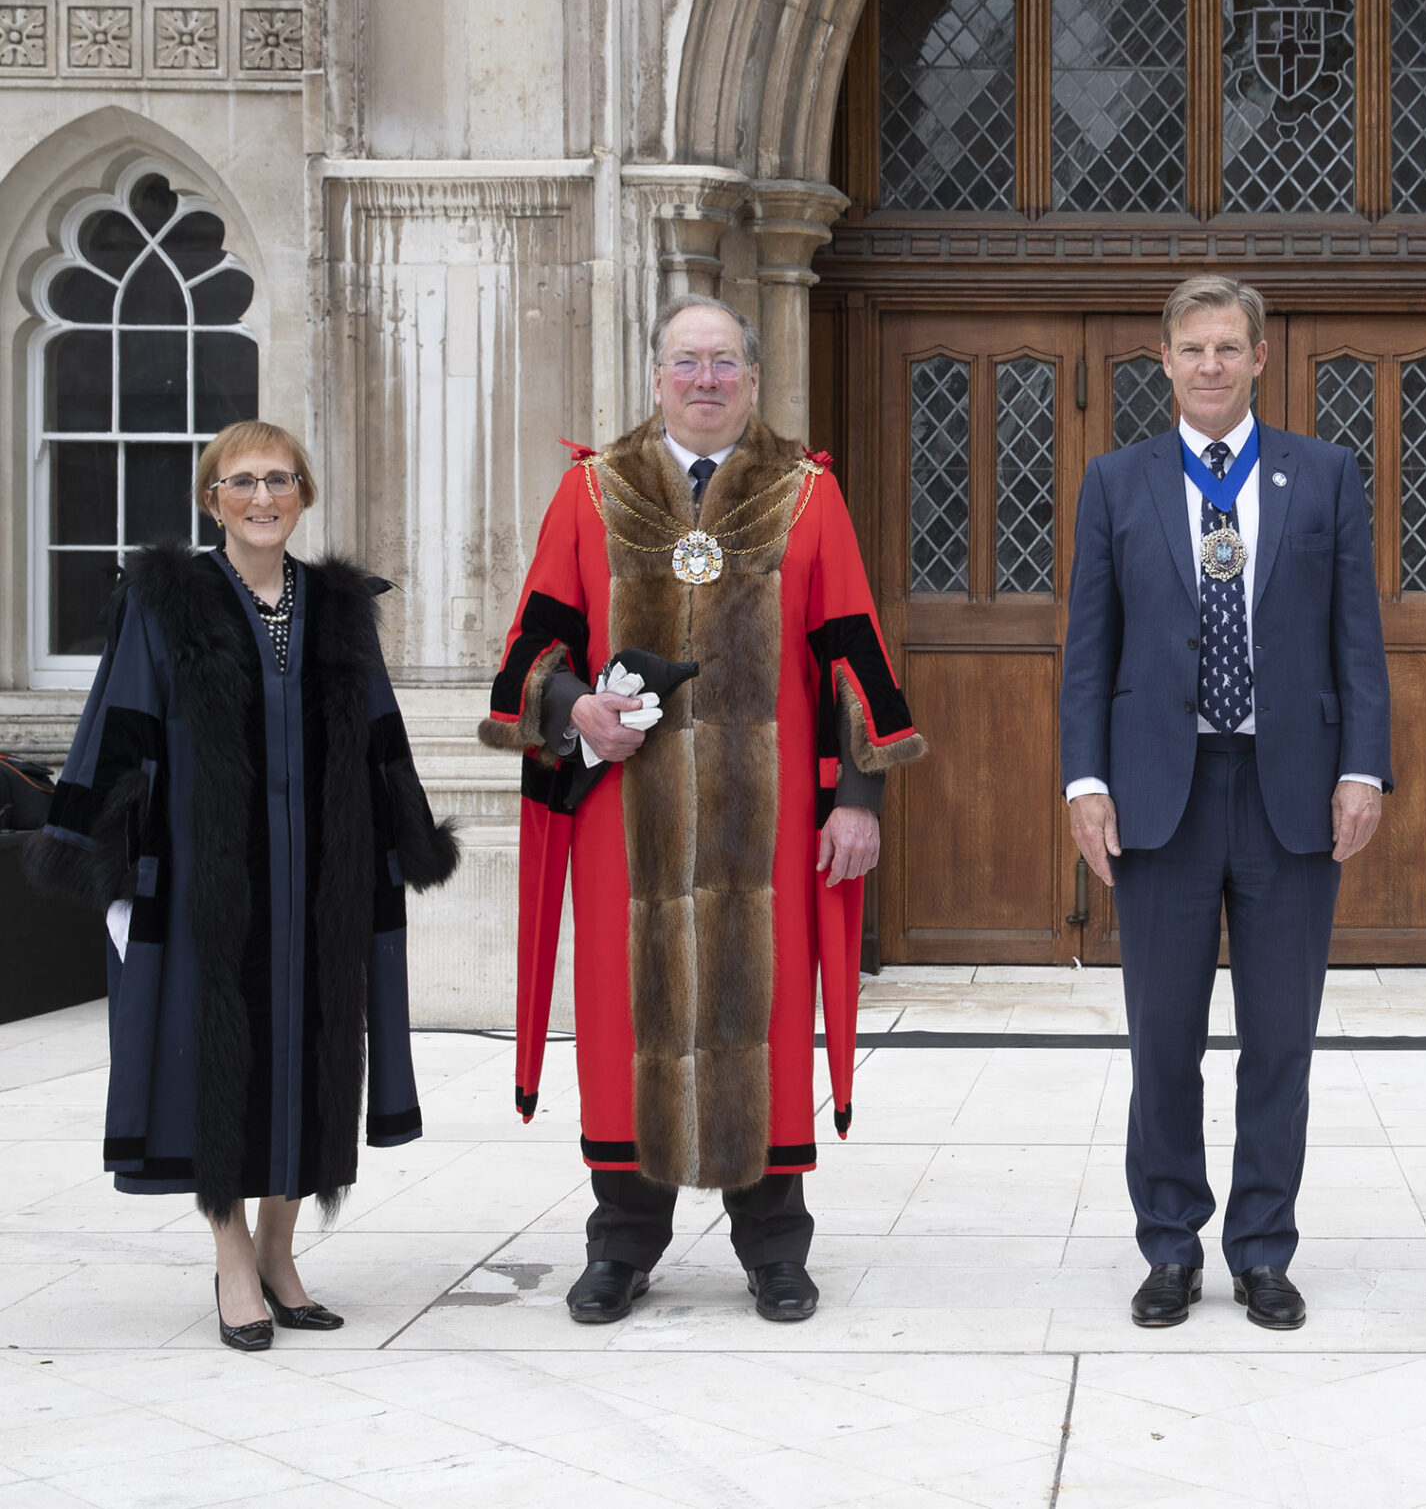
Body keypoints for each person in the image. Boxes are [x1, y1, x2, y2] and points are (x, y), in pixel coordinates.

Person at [479, 294, 924, 1325]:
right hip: (620, 821)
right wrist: (574, 704)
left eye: (726, 362)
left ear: (754, 379)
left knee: (758, 1016)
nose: (707, 379)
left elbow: (854, 648)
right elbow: (532, 652)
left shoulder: (803, 496)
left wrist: (856, 796)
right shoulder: (590, 495)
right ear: (655, 375)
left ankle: (774, 1247)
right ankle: (622, 1245)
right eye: (688, 361)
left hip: (759, 828)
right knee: (625, 1022)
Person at [30, 421, 457, 1351]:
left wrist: (404, 840)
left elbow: (382, 732)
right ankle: (230, 1258)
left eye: (281, 479)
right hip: (205, 876)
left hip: (324, 875)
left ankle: (279, 1249)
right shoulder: (167, 601)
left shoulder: (340, 604)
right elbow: (120, 726)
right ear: (210, 497)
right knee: (216, 1057)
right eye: (242, 482)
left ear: (305, 493)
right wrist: (108, 863)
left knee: (312, 1050)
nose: (263, 497)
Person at [1061, 274, 1392, 1330]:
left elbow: (1357, 638)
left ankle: (1260, 1248)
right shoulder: (1117, 481)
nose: (1209, 364)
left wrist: (1363, 767)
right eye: (1190, 348)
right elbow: (1088, 651)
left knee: (1280, 1037)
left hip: (1287, 790)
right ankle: (1169, 1245)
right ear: (1162, 360)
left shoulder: (1323, 474)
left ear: (1260, 357)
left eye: (1227, 347)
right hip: (1163, 791)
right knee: (1162, 1036)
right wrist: (1085, 778)